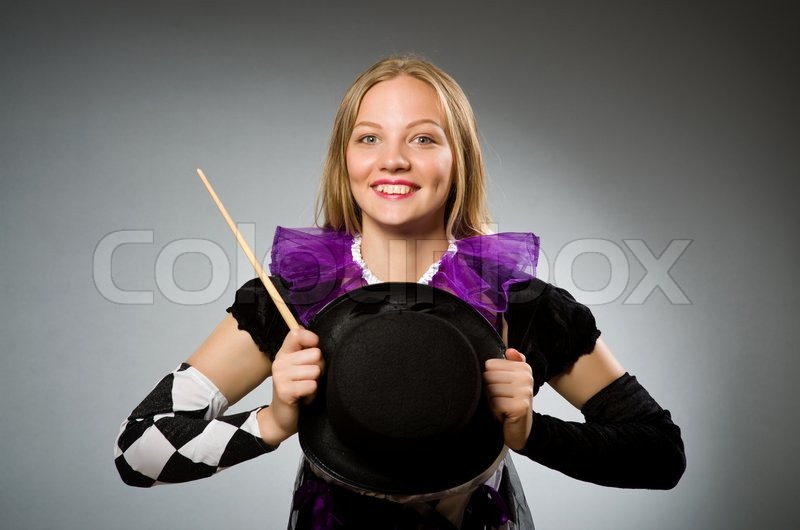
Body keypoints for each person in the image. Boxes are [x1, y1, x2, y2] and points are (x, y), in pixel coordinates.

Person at [114, 56, 686, 529]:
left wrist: (531, 429)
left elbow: (659, 454)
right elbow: (138, 451)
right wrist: (272, 420)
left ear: (458, 159)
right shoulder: (291, 302)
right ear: (347, 159)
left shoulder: (518, 303)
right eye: (370, 137)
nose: (393, 159)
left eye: (422, 138)